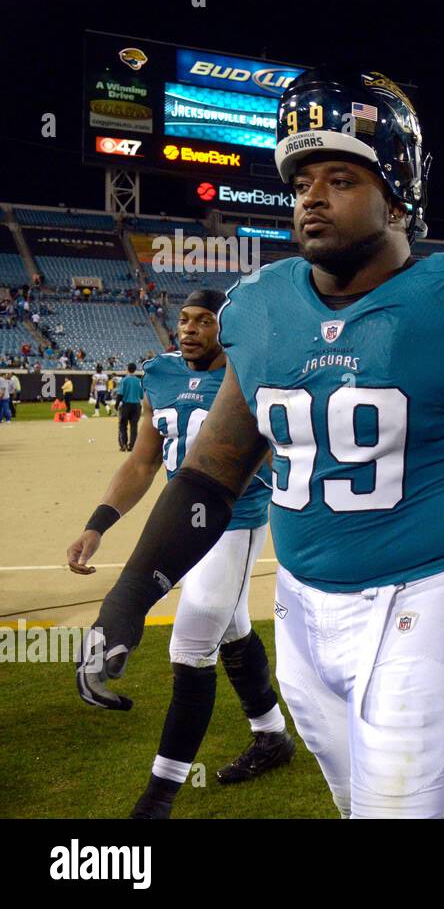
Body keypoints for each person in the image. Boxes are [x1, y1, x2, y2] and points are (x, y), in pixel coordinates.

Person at [76, 68, 444, 819]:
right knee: (356, 805)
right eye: (301, 183)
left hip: (428, 597)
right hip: (300, 609)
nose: (311, 198)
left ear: (397, 197)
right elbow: (209, 478)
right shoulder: (260, 309)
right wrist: (130, 596)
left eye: (340, 178)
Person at [68, 291, 293, 818]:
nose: (189, 329)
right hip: (179, 522)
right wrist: (97, 525)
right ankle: (272, 736)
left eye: (204, 321)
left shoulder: (251, 376)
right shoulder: (160, 374)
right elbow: (144, 463)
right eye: (184, 320)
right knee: (230, 627)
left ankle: (158, 798)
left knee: (190, 647)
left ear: (228, 328)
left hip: (233, 523)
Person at [116, 363, 144, 451]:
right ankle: (132, 445)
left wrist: (116, 404)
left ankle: (123, 444)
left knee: (123, 425)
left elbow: (120, 394)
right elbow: (142, 396)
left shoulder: (124, 380)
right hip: (136, 405)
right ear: (135, 370)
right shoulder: (139, 381)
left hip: (126, 405)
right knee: (134, 426)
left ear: (128, 369)